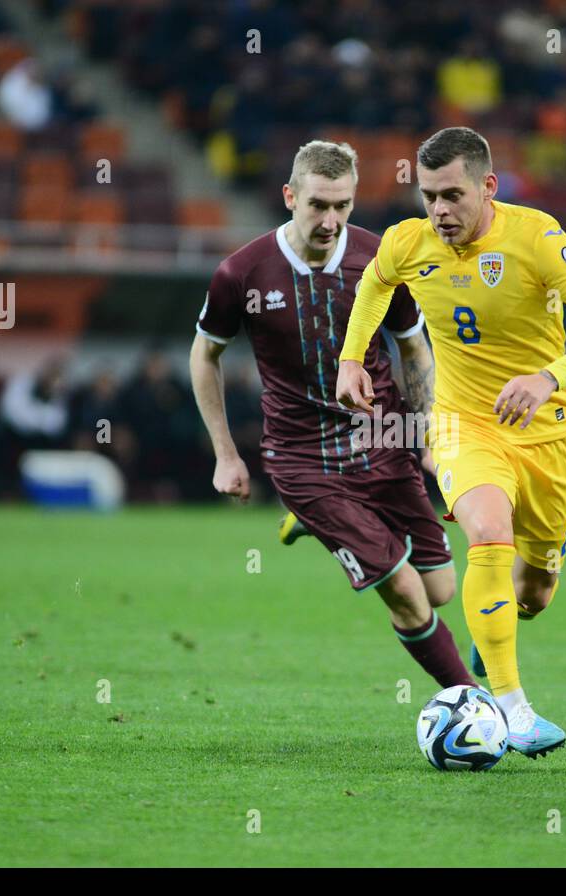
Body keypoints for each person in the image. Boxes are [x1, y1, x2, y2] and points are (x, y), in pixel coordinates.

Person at [336, 127, 566, 757]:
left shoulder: (537, 237)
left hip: (550, 435)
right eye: (429, 196)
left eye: (453, 195)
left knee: (535, 592)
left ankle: (502, 615)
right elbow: (373, 287)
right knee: (485, 532)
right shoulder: (407, 242)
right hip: (460, 424)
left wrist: (549, 376)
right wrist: (350, 359)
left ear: (488, 187)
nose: (439, 211)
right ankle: (513, 707)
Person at [190, 140, 474, 690]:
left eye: (342, 205)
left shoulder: (380, 258)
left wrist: (431, 439)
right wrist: (226, 455)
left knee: (441, 588)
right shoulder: (242, 273)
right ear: (289, 196)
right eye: (318, 204)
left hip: (382, 441)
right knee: (408, 594)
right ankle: (477, 706)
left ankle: (312, 525)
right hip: (302, 458)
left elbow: (414, 349)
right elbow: (206, 354)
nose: (330, 219)